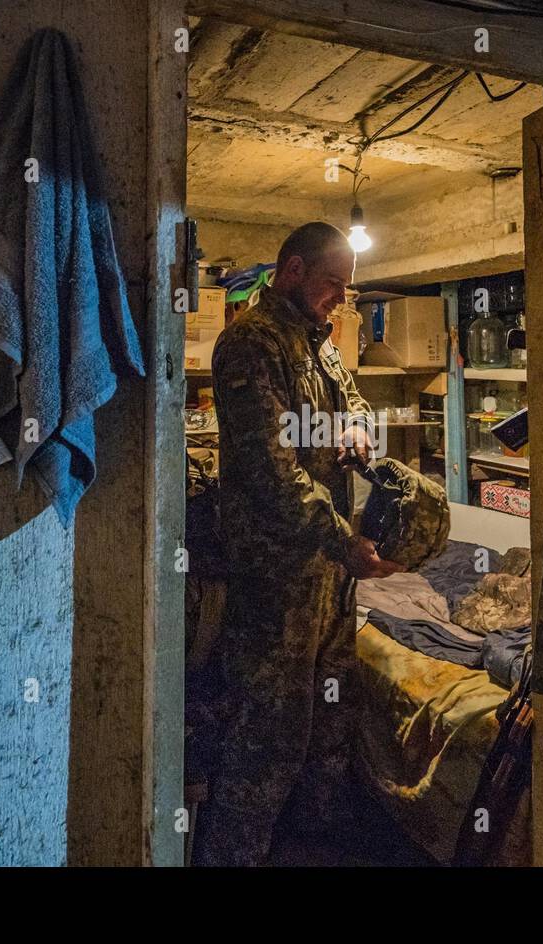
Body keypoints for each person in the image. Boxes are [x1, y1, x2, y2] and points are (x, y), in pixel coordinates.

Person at [193, 221, 404, 865]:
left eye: (347, 287)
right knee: (268, 729)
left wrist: (361, 431)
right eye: (332, 284)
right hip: (279, 576)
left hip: (329, 579)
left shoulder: (321, 344)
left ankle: (309, 843)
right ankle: (234, 854)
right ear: (291, 271)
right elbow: (270, 469)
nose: (341, 299)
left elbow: (354, 404)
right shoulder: (251, 344)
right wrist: (346, 543)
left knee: (329, 714)